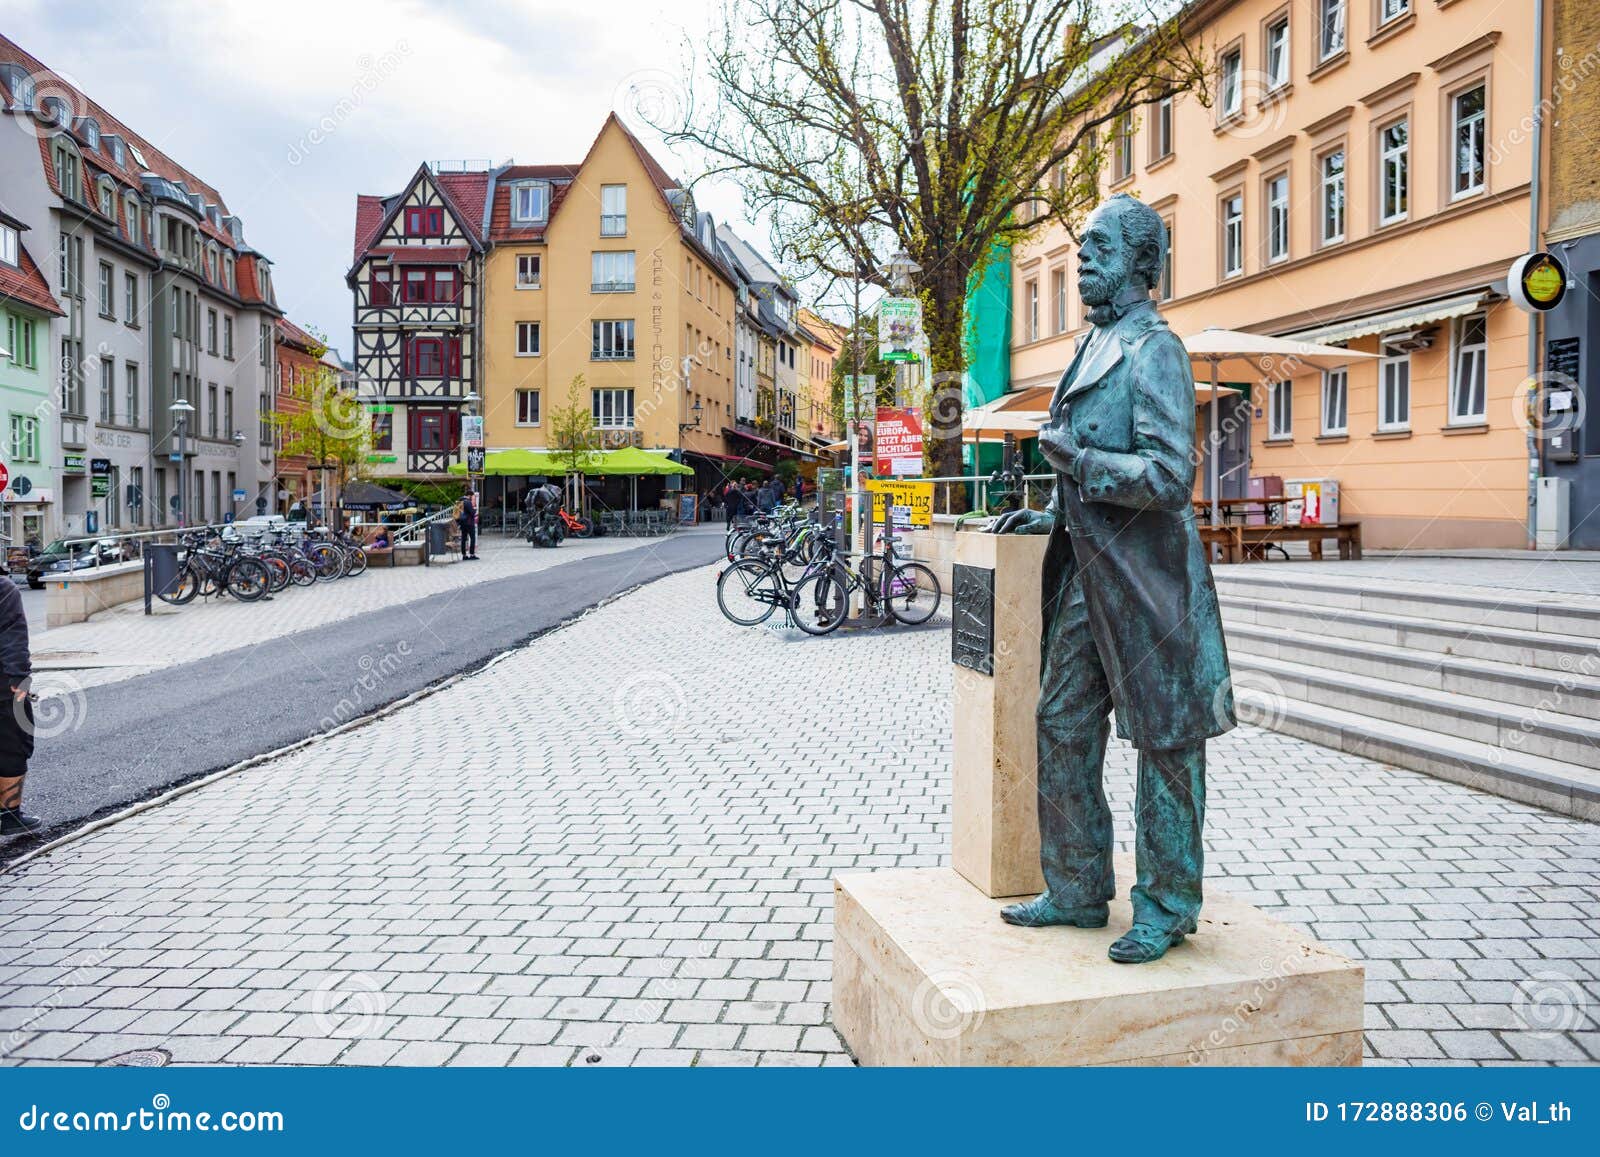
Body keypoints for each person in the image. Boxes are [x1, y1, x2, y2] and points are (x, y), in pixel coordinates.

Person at [991, 193, 1233, 965]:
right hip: (1088, 574)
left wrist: (1081, 467)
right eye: (1084, 244)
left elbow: (1169, 476)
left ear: (1137, 259)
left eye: (1097, 245)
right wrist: (1051, 513)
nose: (1083, 257)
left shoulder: (1154, 347)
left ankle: (1166, 903)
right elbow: (1078, 456)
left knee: (1165, 745)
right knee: (1059, 722)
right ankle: (1075, 887)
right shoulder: (1092, 345)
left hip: (1148, 585)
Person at [0, 579, 38, 836]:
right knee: (13, 746)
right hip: (3, 687)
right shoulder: (3, 589)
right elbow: (12, 633)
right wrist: (19, 677)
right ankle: (9, 815)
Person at [457, 491, 479, 560]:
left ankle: (464, 555)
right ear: (469, 495)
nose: (472, 498)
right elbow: (472, 512)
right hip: (469, 523)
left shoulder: (460, 501)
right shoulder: (467, 502)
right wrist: (475, 510)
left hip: (462, 522)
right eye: (472, 496)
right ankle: (472, 554)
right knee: (472, 538)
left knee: (463, 539)